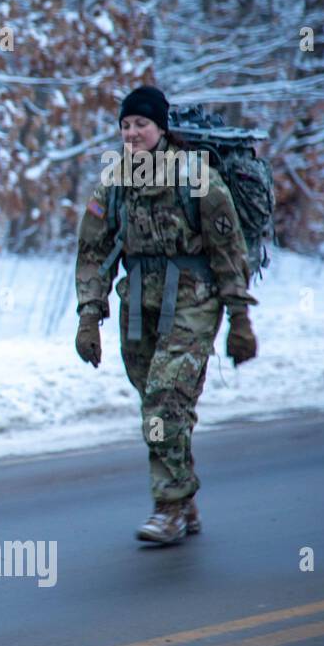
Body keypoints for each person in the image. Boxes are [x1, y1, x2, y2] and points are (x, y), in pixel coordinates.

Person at [74, 84, 258, 544]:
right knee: (156, 402)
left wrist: (239, 317)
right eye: (126, 125)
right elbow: (93, 252)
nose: (132, 133)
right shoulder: (115, 181)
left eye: (142, 124)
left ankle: (169, 506)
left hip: (194, 301)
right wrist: (87, 316)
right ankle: (185, 497)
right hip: (138, 304)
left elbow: (228, 247)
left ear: (162, 128)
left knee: (164, 400)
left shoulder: (197, 177)